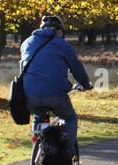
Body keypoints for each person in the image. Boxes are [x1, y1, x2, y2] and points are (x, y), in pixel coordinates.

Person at [20, 14, 91, 151]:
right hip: (56, 95)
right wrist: (86, 84)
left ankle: (38, 147)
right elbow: (76, 68)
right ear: (59, 31)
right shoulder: (62, 45)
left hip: (30, 95)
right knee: (69, 117)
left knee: (39, 115)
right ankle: (68, 151)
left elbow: (24, 68)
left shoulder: (27, 43)